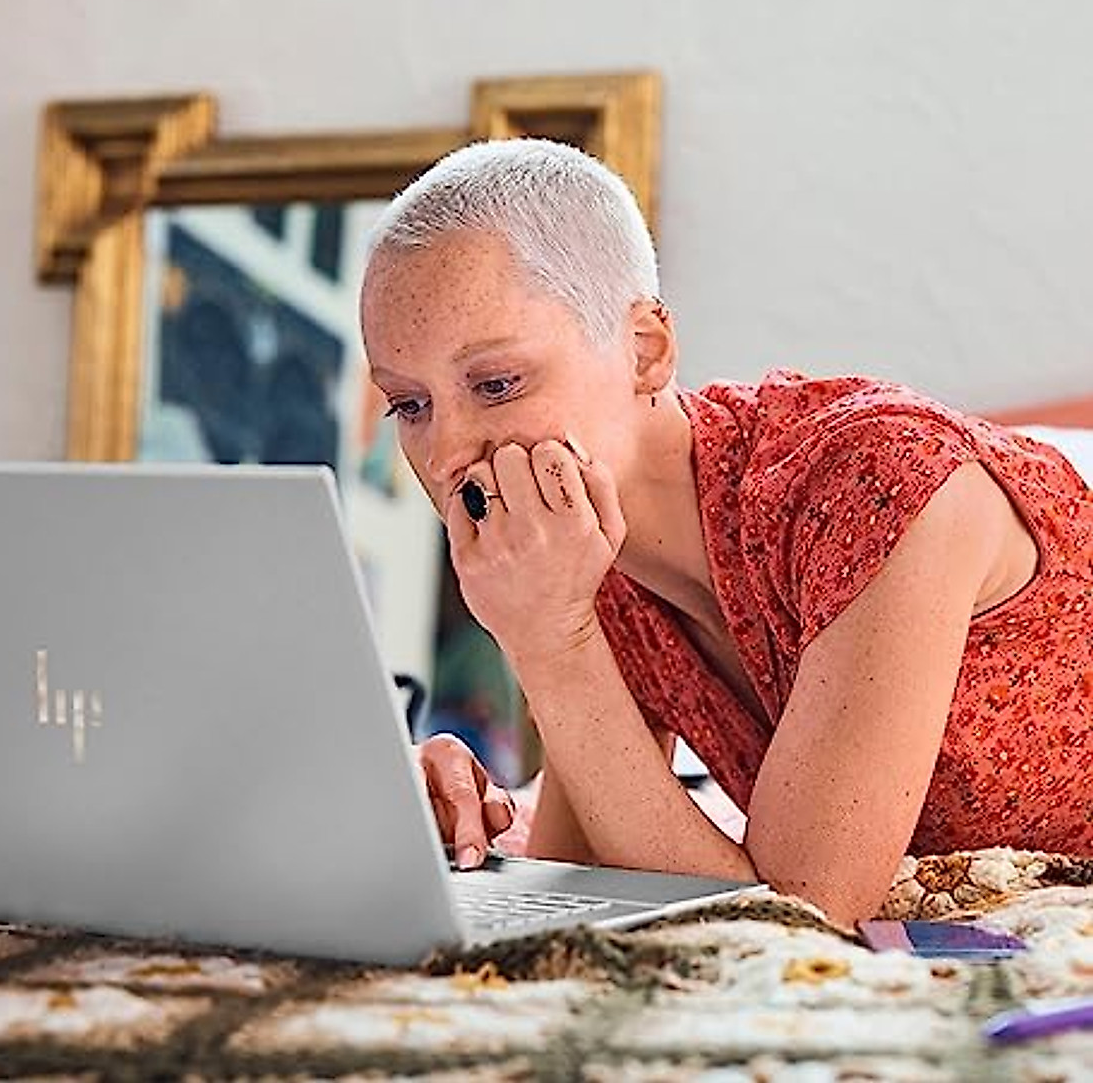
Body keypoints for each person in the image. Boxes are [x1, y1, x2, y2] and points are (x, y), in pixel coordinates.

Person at [358, 138, 1093, 926]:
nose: (446, 453)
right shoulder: (585, 557)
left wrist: (551, 643)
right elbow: (582, 873)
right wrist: (461, 826)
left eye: (497, 384)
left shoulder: (883, 477)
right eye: (410, 405)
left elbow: (803, 916)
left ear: (645, 351)